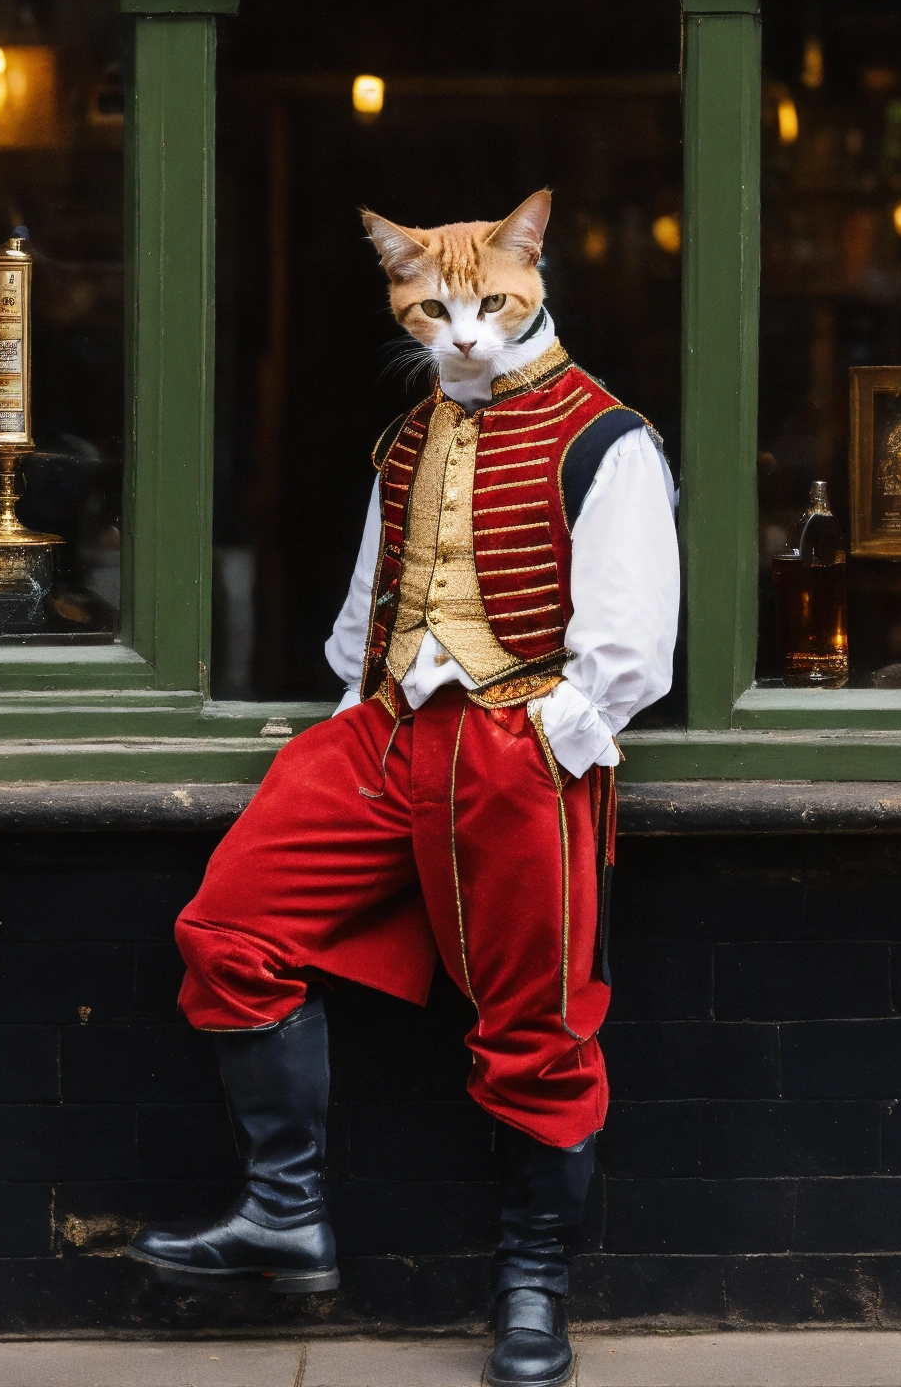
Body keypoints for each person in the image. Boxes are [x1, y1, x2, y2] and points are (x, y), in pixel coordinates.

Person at [130, 191, 679, 1387]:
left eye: (486, 305)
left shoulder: (605, 436)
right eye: (436, 309)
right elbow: (367, 595)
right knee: (228, 927)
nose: (462, 330)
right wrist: (350, 713)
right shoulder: (407, 435)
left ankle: (532, 1291)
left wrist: (552, 742)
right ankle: (284, 1213)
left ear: (534, 278)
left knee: (535, 1027)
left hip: (520, 744)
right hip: (384, 730)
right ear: (404, 298)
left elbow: (634, 645)